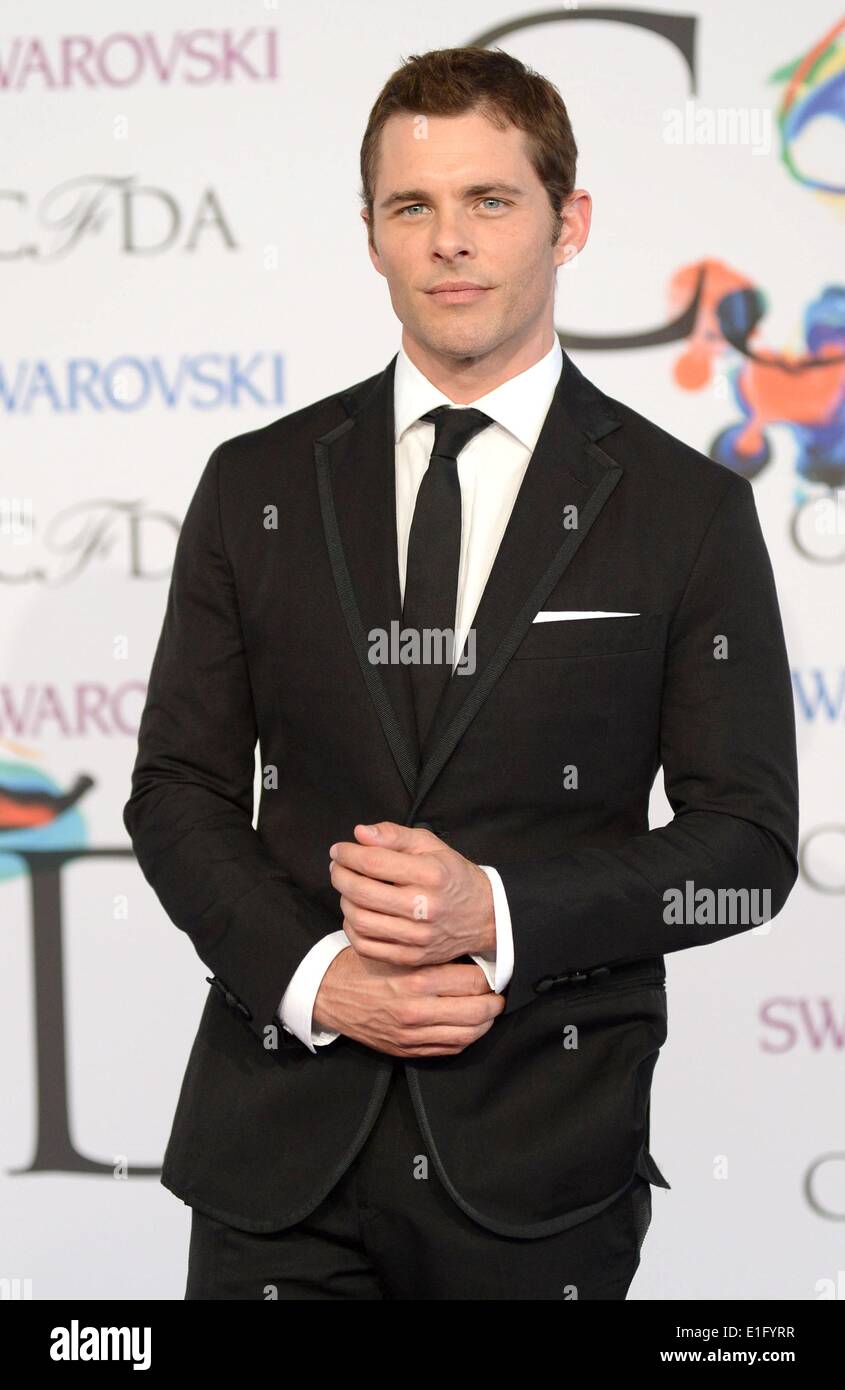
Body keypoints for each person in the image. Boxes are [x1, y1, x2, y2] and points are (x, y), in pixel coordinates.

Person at [123, 45, 799, 1300]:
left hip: (539, 1168)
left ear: (567, 222)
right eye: (411, 206)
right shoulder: (256, 484)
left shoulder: (684, 511)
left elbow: (746, 848)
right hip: (277, 1159)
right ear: (371, 236)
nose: (449, 241)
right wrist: (320, 976)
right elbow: (173, 791)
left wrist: (495, 912)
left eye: (489, 201)